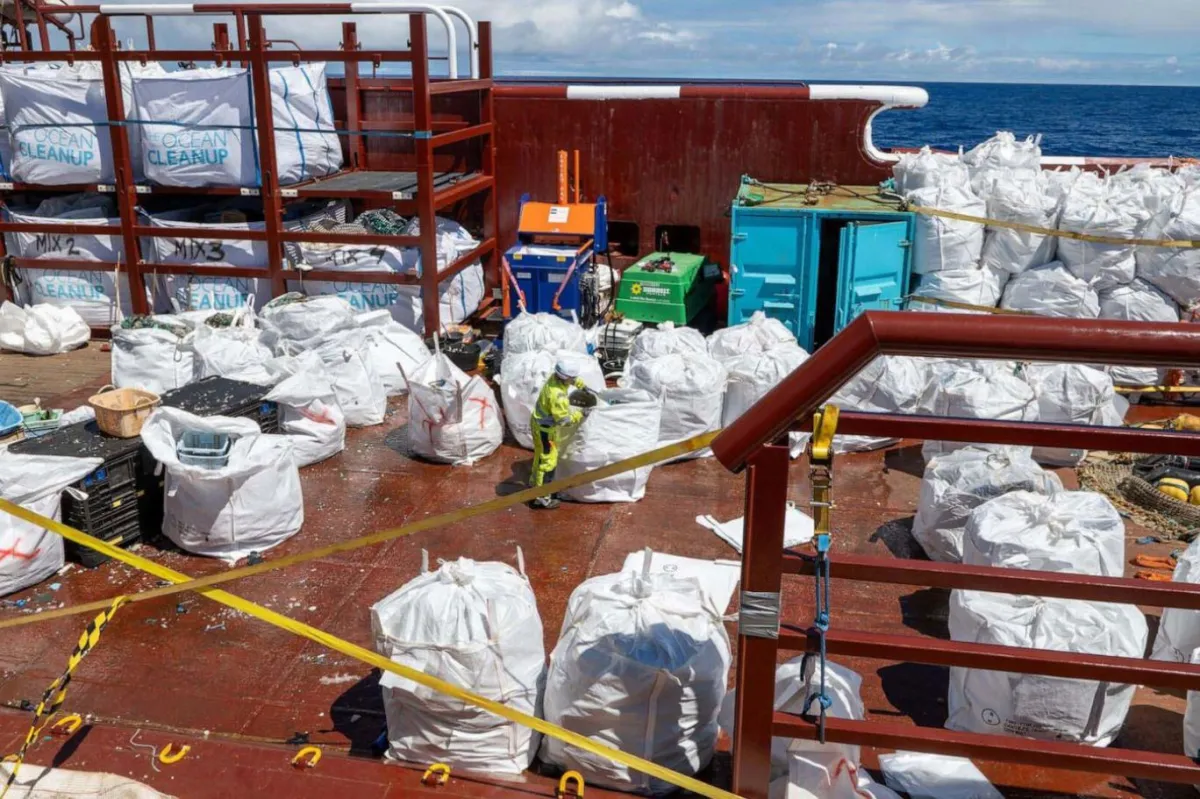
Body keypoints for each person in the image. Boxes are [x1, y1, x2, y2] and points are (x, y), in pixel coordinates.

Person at [528, 359, 587, 509]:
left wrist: (583, 386)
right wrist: (581, 414)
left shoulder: (554, 378)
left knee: (540, 457)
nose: (574, 380)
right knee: (548, 462)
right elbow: (564, 421)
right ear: (566, 377)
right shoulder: (558, 396)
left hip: (538, 424)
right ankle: (541, 497)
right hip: (545, 431)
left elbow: (571, 379)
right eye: (572, 378)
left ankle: (534, 484)